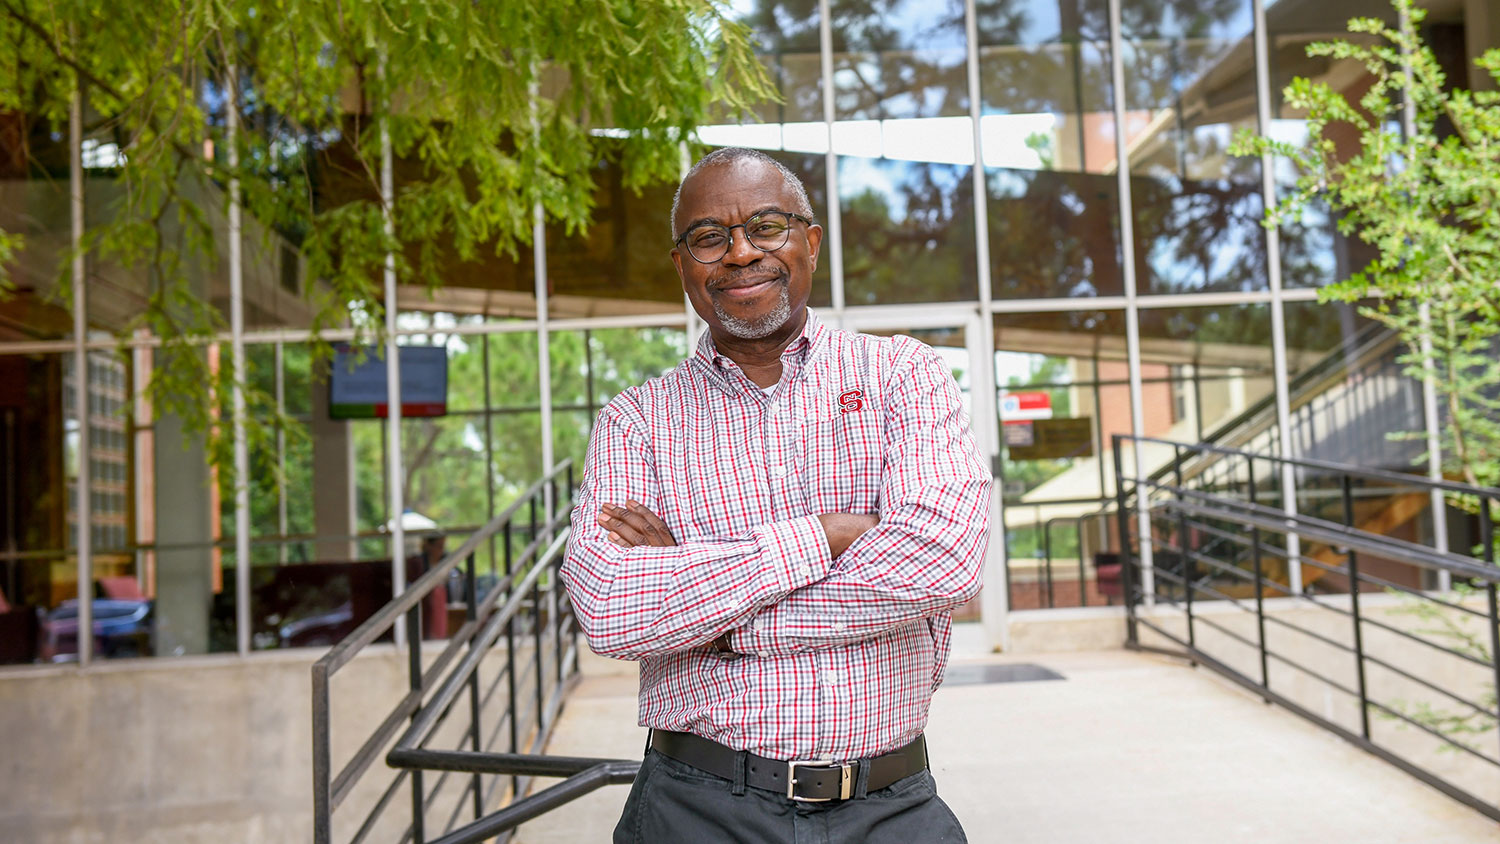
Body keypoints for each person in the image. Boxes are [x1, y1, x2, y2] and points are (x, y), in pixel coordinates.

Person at [560, 147, 991, 843]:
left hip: (892, 808)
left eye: (766, 226)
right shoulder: (635, 421)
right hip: (694, 810)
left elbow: (943, 562)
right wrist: (823, 537)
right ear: (683, 266)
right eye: (709, 238)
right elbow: (613, 608)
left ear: (810, 242)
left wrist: (721, 621)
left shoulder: (901, 377)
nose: (739, 253)